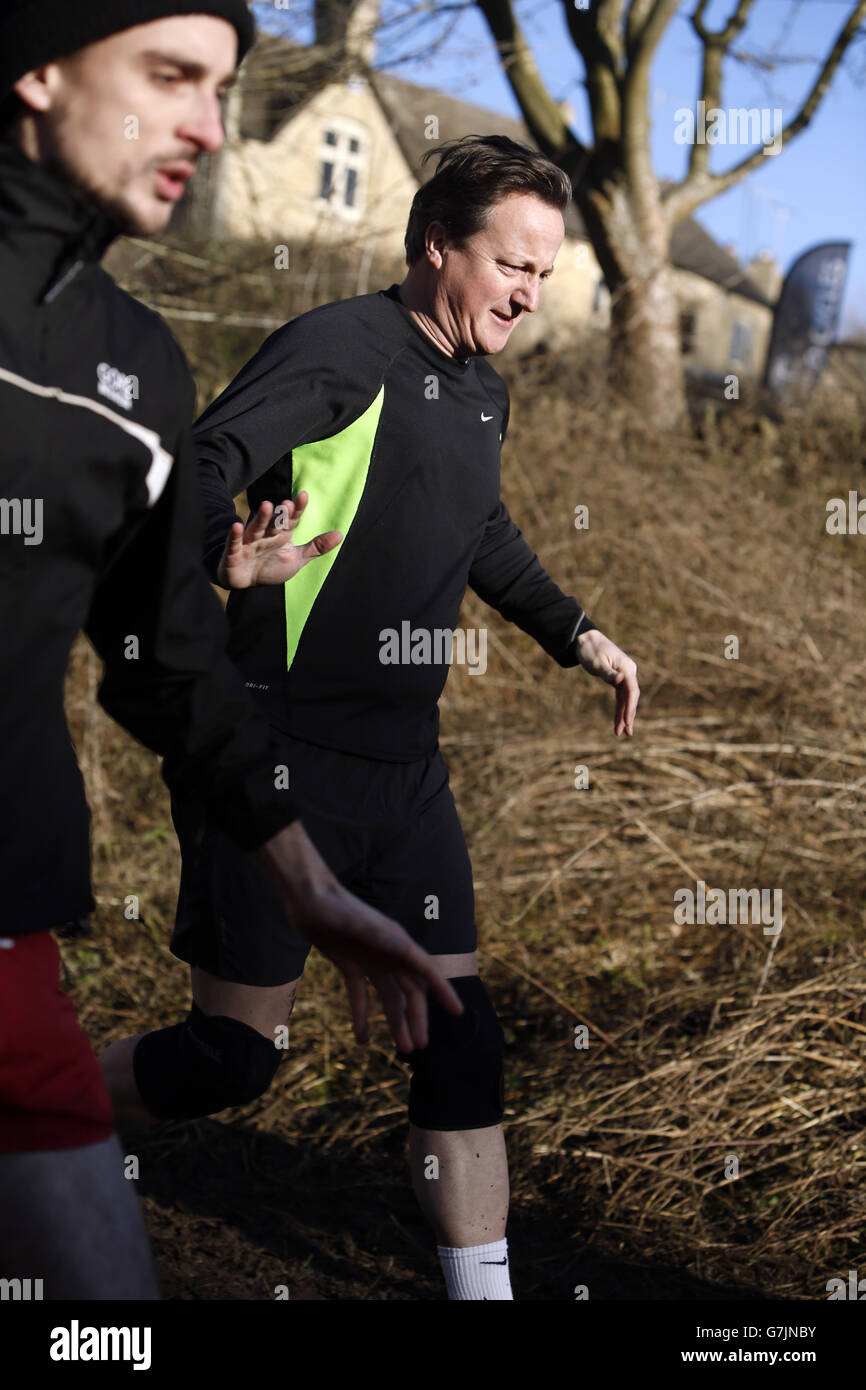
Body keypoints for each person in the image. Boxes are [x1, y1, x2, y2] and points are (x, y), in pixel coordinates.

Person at [104, 132, 641, 1300]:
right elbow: (204, 458)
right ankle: (38, 1107)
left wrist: (574, 629)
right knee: (232, 1059)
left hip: (404, 770)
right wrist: (224, 559)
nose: (528, 294)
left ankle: (480, 1289)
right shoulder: (340, 348)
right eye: (511, 266)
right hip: (275, 747)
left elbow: (473, 523)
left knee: (459, 1032)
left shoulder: (482, 388)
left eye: (543, 275)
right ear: (437, 247)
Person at [0, 1, 463, 1301]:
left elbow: (172, 670)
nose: (208, 124)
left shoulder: (131, 364)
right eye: (169, 76)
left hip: (10, 958)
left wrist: (306, 884)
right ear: (37, 65)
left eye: (222, 88)